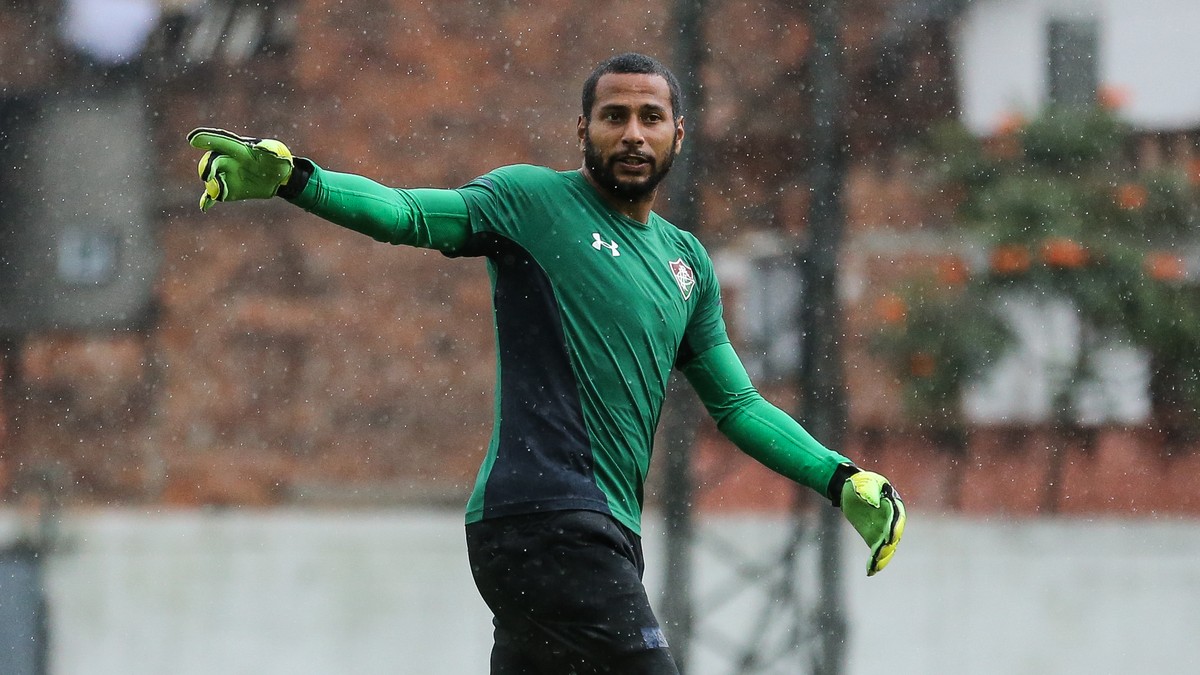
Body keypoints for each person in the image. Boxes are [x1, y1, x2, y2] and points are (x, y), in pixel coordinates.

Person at [187, 52, 905, 675]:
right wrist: (297, 180)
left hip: (583, 534)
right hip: (549, 519)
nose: (632, 133)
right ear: (583, 131)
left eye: (650, 117)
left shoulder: (688, 262)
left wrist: (840, 478)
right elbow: (406, 213)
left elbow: (738, 405)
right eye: (613, 116)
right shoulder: (532, 202)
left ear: (677, 135)